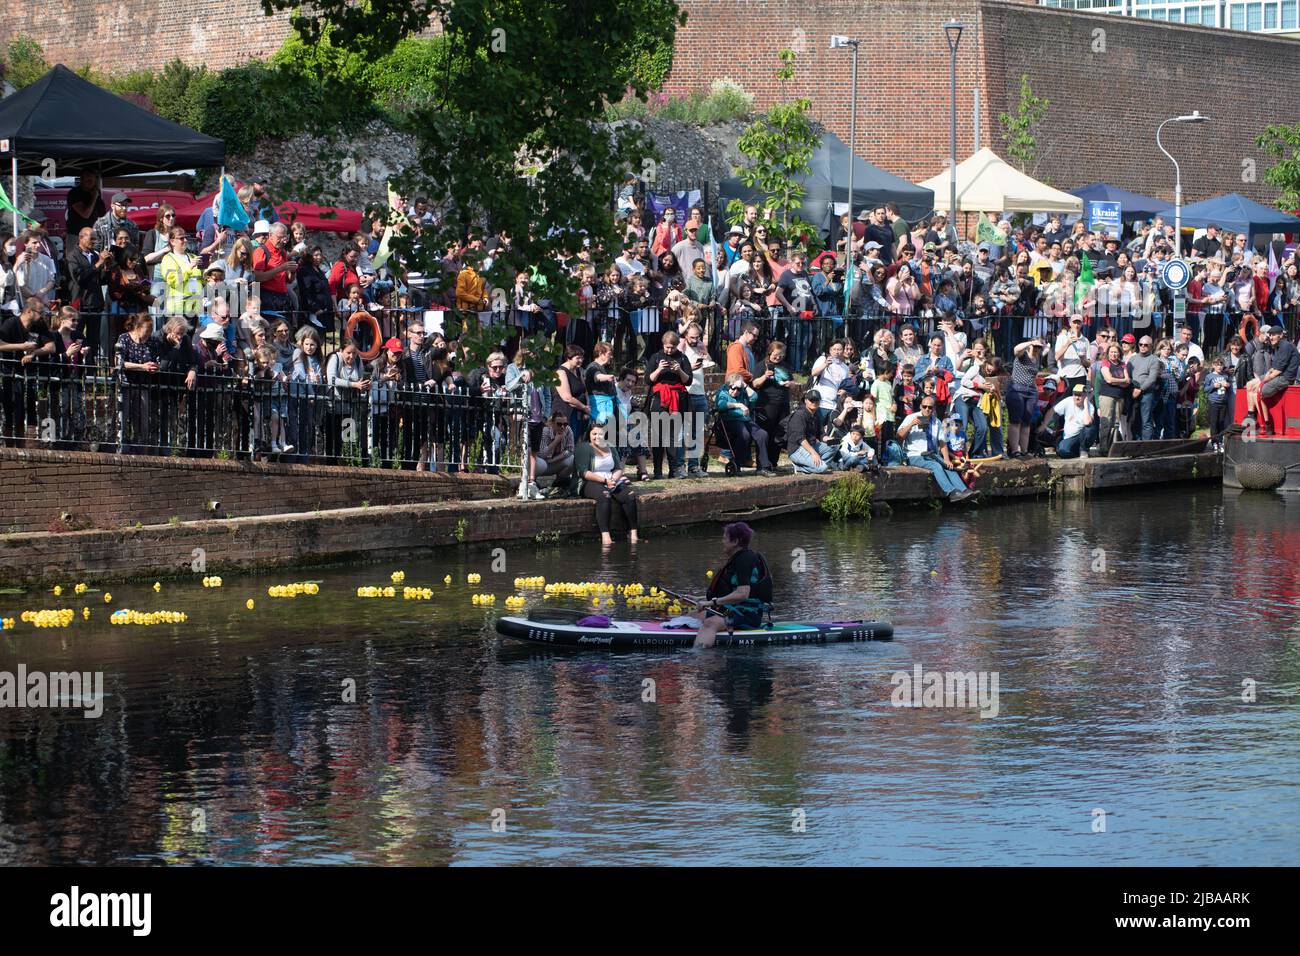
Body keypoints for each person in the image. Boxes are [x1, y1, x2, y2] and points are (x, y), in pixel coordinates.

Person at [690, 521, 773, 649]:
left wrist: (711, 603)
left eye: (725, 538)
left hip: (747, 616)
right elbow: (728, 592)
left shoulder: (745, 559)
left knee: (710, 623)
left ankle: (700, 662)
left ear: (735, 542)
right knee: (693, 615)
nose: (722, 541)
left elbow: (742, 594)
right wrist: (700, 600)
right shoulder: (738, 558)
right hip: (734, 610)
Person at [572, 420, 639, 547]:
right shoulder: (584, 447)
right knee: (605, 495)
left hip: (611, 480)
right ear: (589, 434)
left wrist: (613, 480)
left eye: (600, 434)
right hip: (589, 482)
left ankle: (633, 533)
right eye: (594, 434)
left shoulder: (610, 446)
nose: (597, 437)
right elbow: (583, 473)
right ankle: (606, 537)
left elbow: (618, 468)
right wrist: (605, 481)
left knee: (630, 495)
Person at [896, 395, 974, 502]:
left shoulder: (937, 421)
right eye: (925, 406)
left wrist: (946, 459)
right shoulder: (911, 417)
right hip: (915, 455)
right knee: (936, 465)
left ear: (934, 408)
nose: (927, 409)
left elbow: (942, 442)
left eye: (930, 407)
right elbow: (899, 437)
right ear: (920, 406)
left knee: (948, 465)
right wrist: (911, 424)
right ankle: (951, 492)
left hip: (932, 454)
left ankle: (964, 490)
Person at [714, 371, 775, 476]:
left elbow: (754, 397)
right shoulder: (723, 391)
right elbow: (721, 405)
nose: (736, 391)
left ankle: (762, 467)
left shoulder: (742, 391)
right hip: (730, 420)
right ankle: (736, 463)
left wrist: (744, 385)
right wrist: (738, 405)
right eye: (733, 388)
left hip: (745, 420)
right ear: (729, 385)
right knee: (745, 435)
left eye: (739, 389)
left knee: (762, 434)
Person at [786, 390, 837, 473]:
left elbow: (821, 434)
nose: (814, 402)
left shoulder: (816, 414)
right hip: (797, 449)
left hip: (812, 445)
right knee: (823, 468)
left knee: (834, 446)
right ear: (806, 401)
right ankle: (798, 468)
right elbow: (800, 439)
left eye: (816, 400)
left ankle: (813, 466)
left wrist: (828, 439)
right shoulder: (799, 415)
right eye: (811, 400)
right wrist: (813, 453)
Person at [1053, 383, 1099, 459]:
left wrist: (1086, 405)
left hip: (1082, 436)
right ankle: (1077, 454)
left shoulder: (1090, 406)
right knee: (1062, 451)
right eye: (1075, 394)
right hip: (1069, 437)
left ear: (1085, 396)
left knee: (1090, 428)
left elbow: (1087, 422)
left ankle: (1084, 450)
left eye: (1080, 395)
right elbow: (1053, 410)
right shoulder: (1068, 401)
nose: (1077, 397)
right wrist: (1045, 425)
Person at [1202, 355, 1232, 451]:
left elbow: (1229, 385)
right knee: (1214, 423)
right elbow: (1205, 389)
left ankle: (1220, 441)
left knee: (1221, 423)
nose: (1219, 367)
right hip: (1214, 402)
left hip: (1223, 402)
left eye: (1221, 365)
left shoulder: (1225, 376)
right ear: (1213, 366)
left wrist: (1227, 385)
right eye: (1217, 365)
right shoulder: (1209, 376)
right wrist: (1213, 386)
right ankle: (1214, 442)